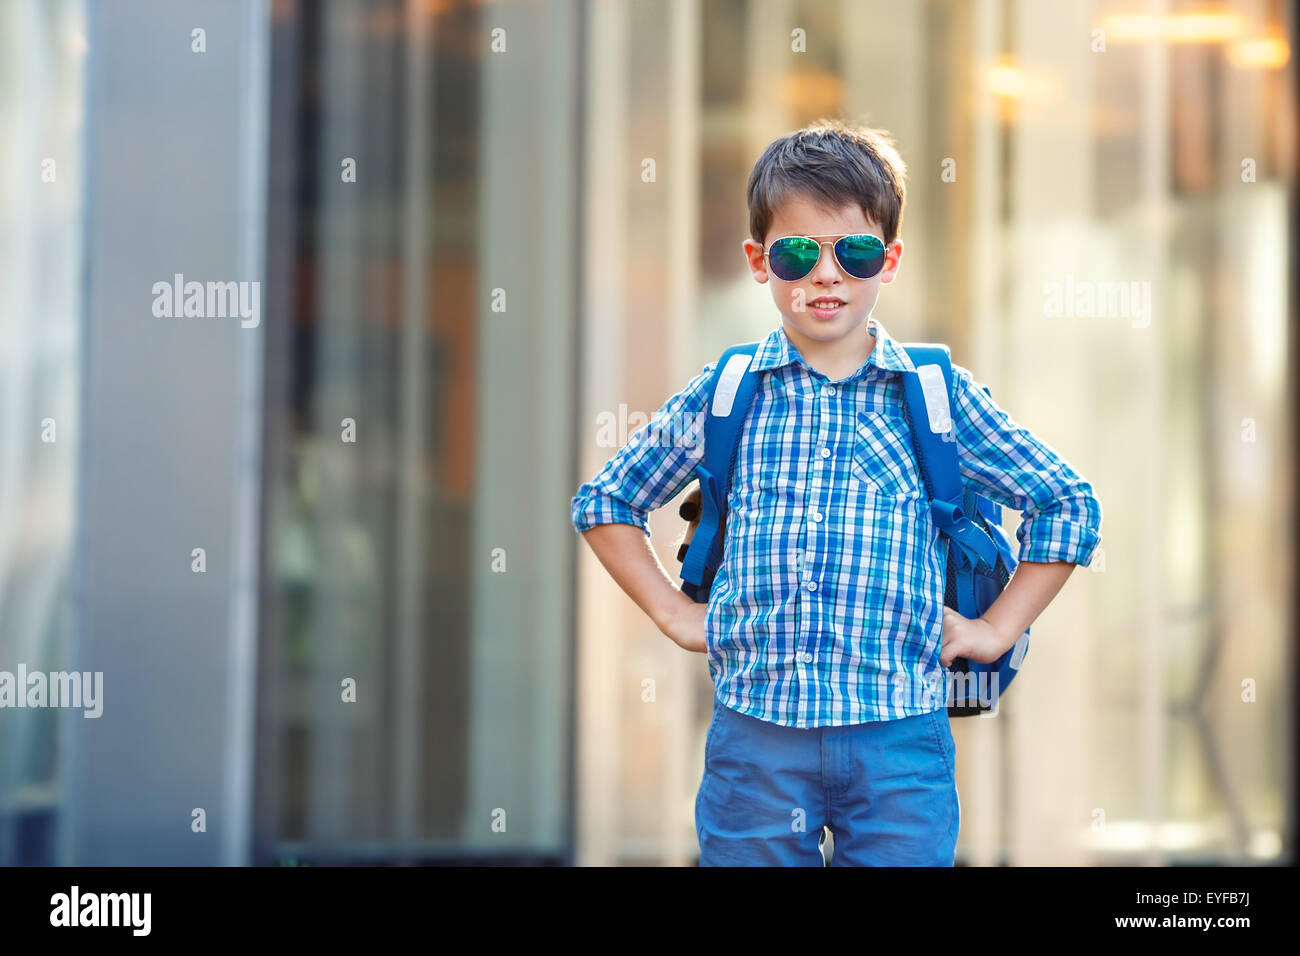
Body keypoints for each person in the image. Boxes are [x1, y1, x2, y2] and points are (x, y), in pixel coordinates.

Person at [570, 118, 1103, 866]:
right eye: (797, 253)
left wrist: (995, 631)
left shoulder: (935, 396)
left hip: (899, 744)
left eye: (853, 253)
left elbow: (1067, 503)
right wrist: (672, 614)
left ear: (888, 262)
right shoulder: (727, 393)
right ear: (759, 261)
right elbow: (606, 502)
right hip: (755, 740)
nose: (826, 275)